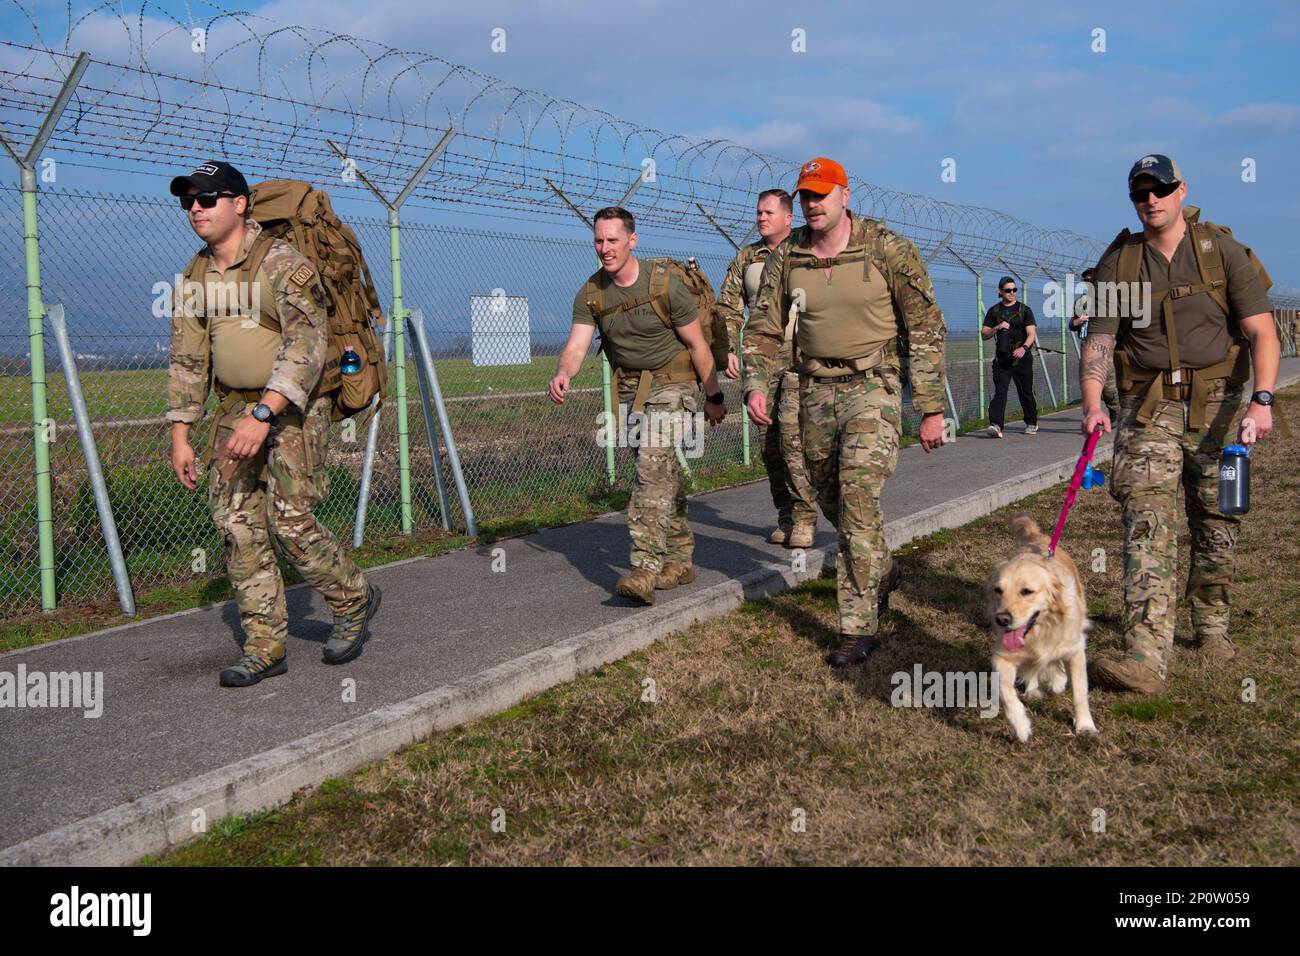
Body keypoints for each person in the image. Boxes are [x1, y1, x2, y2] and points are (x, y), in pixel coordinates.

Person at [166, 160, 379, 687]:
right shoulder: (195, 274)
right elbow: (187, 359)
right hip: (233, 408)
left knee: (289, 521)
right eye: (188, 200)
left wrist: (264, 413)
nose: (196, 208)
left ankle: (351, 596)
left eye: (207, 198)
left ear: (239, 205)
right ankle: (264, 645)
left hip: (293, 408)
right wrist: (180, 434)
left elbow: (307, 346)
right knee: (237, 524)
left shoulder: (282, 263)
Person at [1081, 154, 1279, 694]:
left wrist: (1260, 402)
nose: (1152, 200)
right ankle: (1144, 657)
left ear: (1180, 190)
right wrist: (1093, 402)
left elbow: (1262, 333)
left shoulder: (1221, 252)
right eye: (1141, 192)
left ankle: (1211, 623)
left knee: (1216, 521)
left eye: (1161, 189)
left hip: (1219, 406)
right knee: (1146, 519)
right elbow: (1099, 341)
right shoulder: (1119, 263)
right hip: (1147, 407)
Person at [745, 157, 947, 667]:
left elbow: (924, 325)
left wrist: (929, 407)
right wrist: (757, 384)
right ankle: (881, 567)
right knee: (825, 491)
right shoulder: (787, 256)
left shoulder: (886, 249)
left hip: (872, 386)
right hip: (813, 388)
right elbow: (764, 328)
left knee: (857, 493)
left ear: (845, 195)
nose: (813, 204)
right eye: (806, 196)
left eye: (822, 194)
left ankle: (857, 628)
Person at [549, 206, 726, 605]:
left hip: (674, 384)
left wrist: (713, 396)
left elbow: (698, 345)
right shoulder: (591, 293)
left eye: (613, 240)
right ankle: (679, 559)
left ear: (632, 240)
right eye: (599, 240)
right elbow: (577, 346)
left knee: (651, 465)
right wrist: (564, 373)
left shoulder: (664, 286)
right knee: (658, 472)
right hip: (631, 390)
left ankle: (644, 569)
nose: (605, 248)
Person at [714, 189, 817, 548]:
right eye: (758, 212)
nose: (761, 217)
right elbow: (727, 307)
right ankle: (786, 515)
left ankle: (805, 516)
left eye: (768, 212)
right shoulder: (748, 259)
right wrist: (727, 347)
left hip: (804, 358)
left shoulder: (809, 252)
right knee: (769, 443)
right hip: (761, 358)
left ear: (788, 217)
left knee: (791, 437)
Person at [981, 276, 1039, 437]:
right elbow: (984, 333)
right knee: (1000, 392)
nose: (1012, 293)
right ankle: (996, 425)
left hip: (1022, 357)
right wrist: (997, 327)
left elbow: (1031, 333)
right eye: (1008, 290)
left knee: (1026, 391)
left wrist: (1024, 348)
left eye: (1014, 290)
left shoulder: (1024, 310)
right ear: (1000, 292)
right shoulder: (994, 311)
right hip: (1002, 358)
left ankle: (1031, 422)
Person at [1070, 267, 1120, 421]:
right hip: (1087, 345)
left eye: (1092, 280)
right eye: (1086, 280)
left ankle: (1115, 409)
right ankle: (1094, 413)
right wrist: (1078, 321)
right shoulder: (1081, 302)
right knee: (1090, 381)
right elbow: (1072, 324)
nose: (1089, 283)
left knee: (1109, 384)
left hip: (1106, 346)